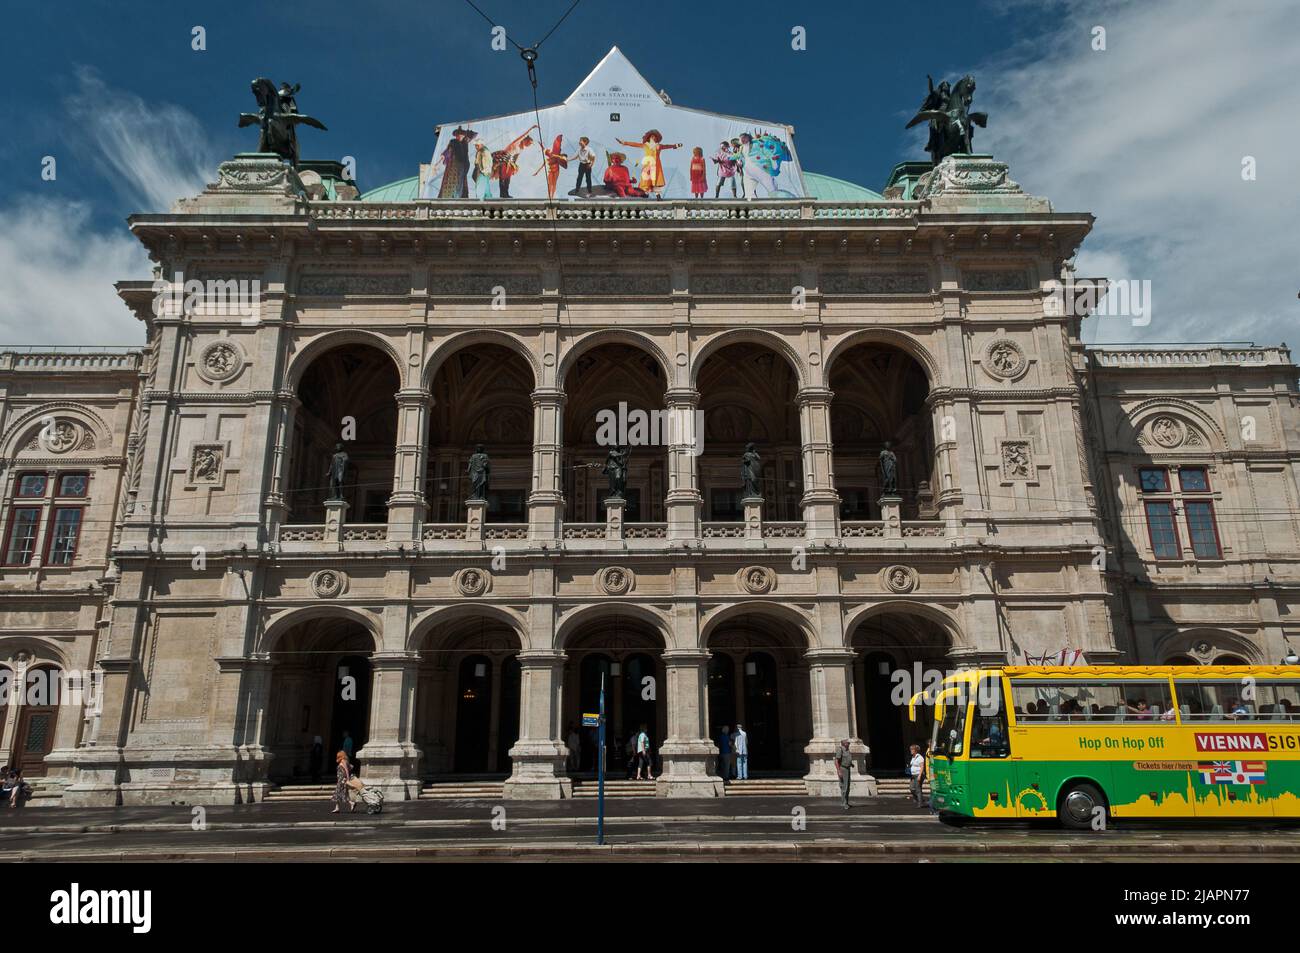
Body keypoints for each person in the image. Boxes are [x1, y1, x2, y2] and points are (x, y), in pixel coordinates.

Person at [834, 739, 854, 809]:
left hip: (848, 769)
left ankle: (846, 802)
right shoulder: (840, 750)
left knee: (847, 787)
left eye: (849, 743)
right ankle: (844, 803)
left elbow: (847, 759)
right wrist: (839, 771)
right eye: (848, 743)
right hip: (843, 769)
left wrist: (851, 764)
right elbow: (836, 761)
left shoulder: (847, 749)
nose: (849, 743)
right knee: (844, 787)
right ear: (844, 743)